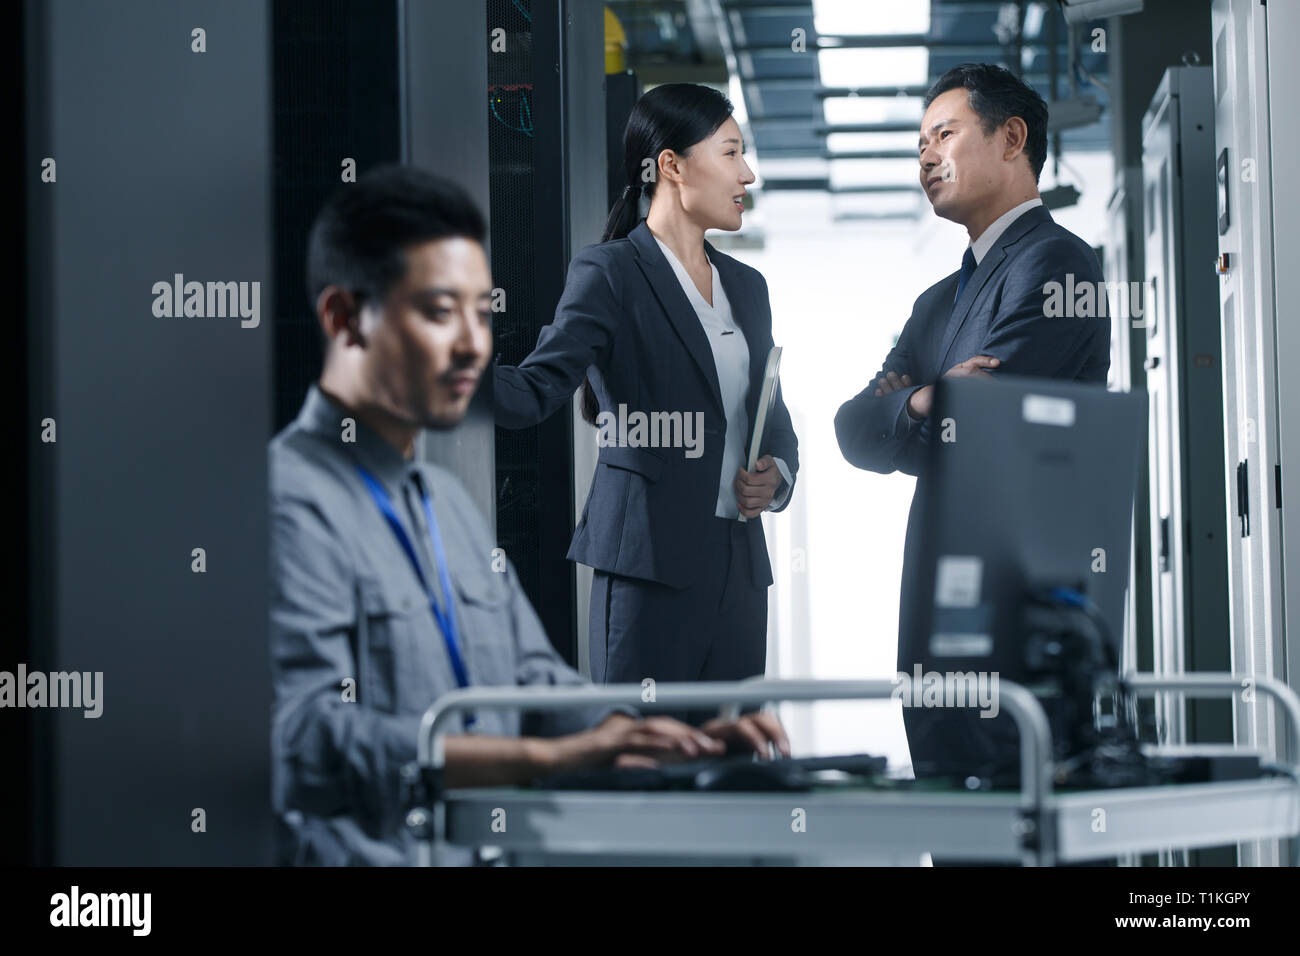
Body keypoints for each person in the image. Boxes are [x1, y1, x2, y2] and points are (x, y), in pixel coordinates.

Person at [269, 165, 789, 866]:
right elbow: (306, 744)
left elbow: (536, 678)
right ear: (342, 318)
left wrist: (660, 742)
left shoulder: (444, 504)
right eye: (437, 311)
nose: (470, 345)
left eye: (481, 314)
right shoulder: (288, 505)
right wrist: (545, 756)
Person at [833, 64, 1109, 776]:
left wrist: (916, 409)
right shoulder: (937, 301)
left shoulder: (1058, 266)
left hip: (1019, 611)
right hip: (940, 603)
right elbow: (852, 431)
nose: (925, 156)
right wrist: (924, 398)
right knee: (953, 815)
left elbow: (986, 424)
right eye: (918, 144)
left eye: (943, 135)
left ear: (1012, 137)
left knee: (1021, 823)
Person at [494, 84, 799, 720]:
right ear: (671, 165)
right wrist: (444, 363)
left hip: (739, 574)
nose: (747, 174)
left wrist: (778, 475)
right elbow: (532, 391)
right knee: (641, 765)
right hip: (648, 570)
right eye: (732, 152)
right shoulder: (610, 273)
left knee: (733, 766)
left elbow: (773, 418)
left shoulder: (749, 286)